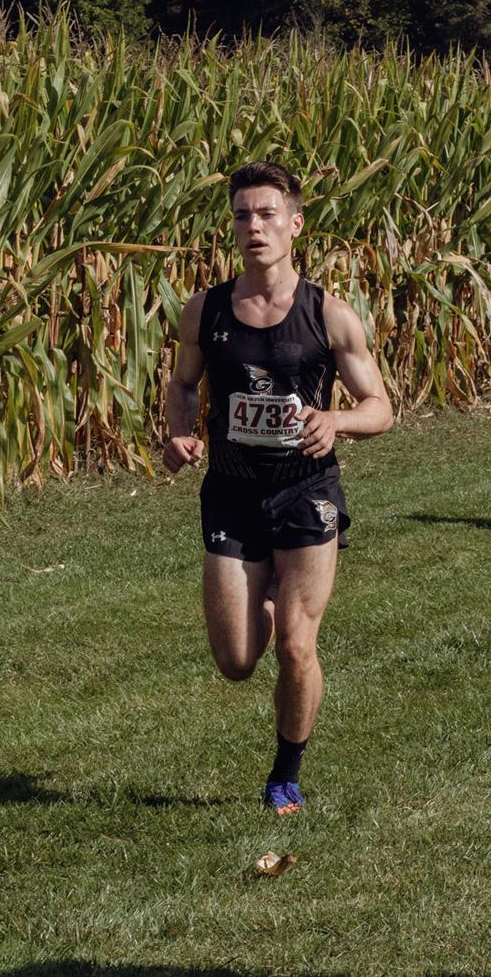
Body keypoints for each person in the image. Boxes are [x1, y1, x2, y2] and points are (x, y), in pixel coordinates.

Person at [162, 161, 393, 816]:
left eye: (267, 214)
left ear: (295, 224)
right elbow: (182, 383)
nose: (254, 226)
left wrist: (337, 420)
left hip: (305, 492)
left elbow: (380, 407)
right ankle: (266, 594)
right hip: (232, 493)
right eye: (242, 215)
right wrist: (179, 433)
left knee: (296, 644)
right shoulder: (205, 311)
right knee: (236, 660)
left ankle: (285, 775)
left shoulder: (329, 315)